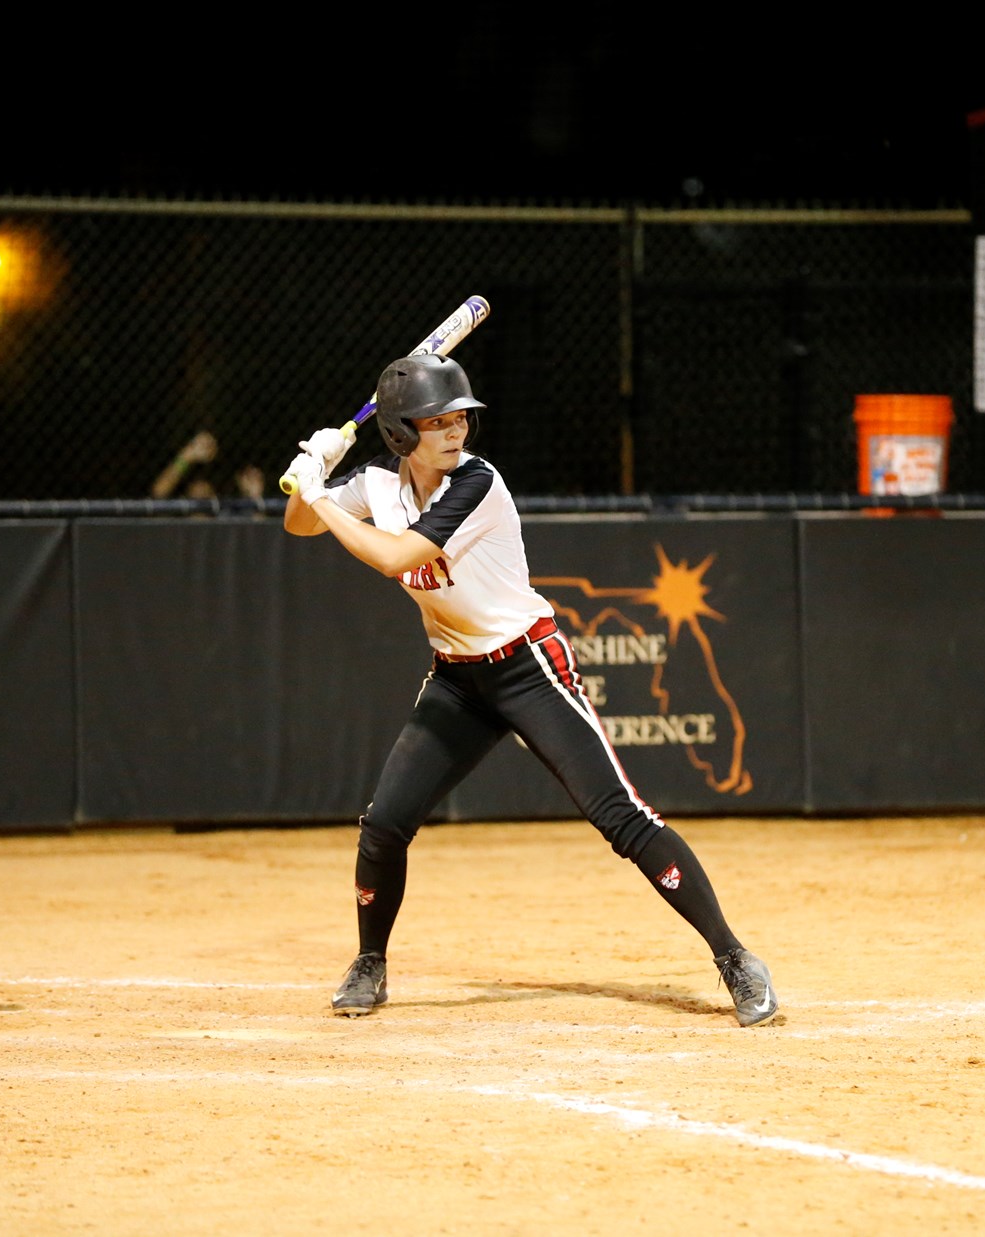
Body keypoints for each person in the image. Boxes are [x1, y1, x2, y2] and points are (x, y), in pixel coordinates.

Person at [280, 354, 780, 1027]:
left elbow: (395, 557)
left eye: (461, 416)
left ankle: (735, 958)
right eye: (437, 420)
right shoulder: (376, 485)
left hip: (528, 668)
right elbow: (299, 527)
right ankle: (370, 961)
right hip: (458, 679)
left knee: (622, 817)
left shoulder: (477, 484)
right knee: (383, 825)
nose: (456, 430)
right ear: (401, 433)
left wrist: (317, 492)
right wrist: (312, 475)